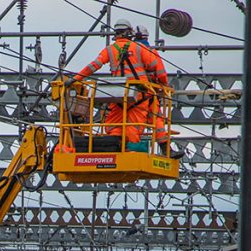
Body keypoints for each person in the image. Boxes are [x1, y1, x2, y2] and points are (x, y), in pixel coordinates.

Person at [65, 20, 171, 154]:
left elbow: (94, 65)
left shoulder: (110, 49)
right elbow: (158, 69)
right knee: (135, 125)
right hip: (141, 94)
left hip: (117, 94)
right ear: (130, 33)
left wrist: (75, 79)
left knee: (114, 125)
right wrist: (163, 86)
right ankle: (132, 151)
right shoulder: (139, 48)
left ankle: (115, 148)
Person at [132, 25, 181, 159]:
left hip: (128, 94)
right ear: (146, 38)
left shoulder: (128, 51)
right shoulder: (149, 52)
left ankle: (128, 146)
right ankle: (166, 149)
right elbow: (161, 73)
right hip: (148, 92)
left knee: (131, 120)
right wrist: (163, 87)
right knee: (156, 119)